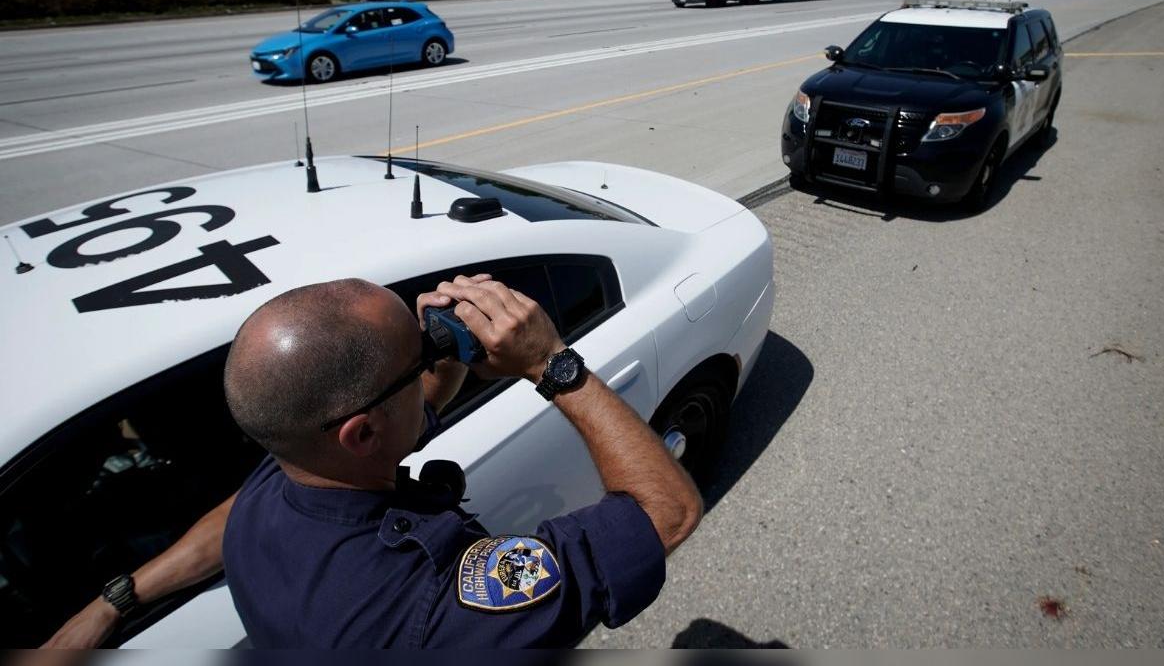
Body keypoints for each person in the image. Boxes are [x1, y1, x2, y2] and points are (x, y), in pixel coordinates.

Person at [44, 275, 703, 648]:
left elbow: (233, 515)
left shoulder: (289, 475)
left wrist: (113, 601)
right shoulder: (428, 606)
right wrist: (553, 365)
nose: (426, 367)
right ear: (360, 432)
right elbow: (667, 513)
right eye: (415, 363)